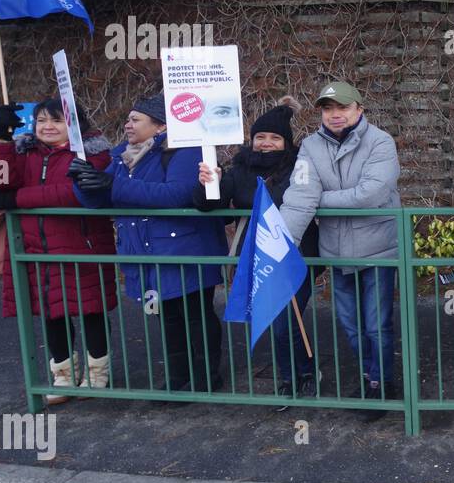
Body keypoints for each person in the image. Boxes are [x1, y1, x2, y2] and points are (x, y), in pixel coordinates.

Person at [69, 95, 228, 395]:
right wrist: (82, 181)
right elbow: (98, 199)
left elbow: (175, 194)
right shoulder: (121, 155)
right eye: (128, 119)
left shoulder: (185, 149)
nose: (127, 124)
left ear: (159, 126)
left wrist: (113, 185)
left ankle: (207, 376)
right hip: (146, 253)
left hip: (186, 250)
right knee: (166, 317)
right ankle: (178, 377)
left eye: (135, 119)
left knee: (195, 315)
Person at [0, 99, 119, 404]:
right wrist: (0, 140)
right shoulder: (24, 152)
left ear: (74, 124)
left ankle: (98, 373)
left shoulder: (92, 153)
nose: (47, 127)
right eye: (41, 120)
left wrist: (16, 199)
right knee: (50, 313)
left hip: (82, 246)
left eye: (56, 120)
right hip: (35, 249)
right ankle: (64, 375)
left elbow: (73, 193)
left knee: (90, 310)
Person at [280, 81, 401, 407]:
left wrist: (322, 199)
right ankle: (367, 377)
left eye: (343, 108)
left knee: (377, 326)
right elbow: (300, 194)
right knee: (350, 325)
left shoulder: (380, 142)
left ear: (359, 109)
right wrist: (285, 242)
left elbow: (371, 194)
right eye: (328, 109)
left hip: (378, 251)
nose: (335, 115)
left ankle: (382, 384)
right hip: (335, 250)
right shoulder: (310, 146)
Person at [195, 96, 319, 405]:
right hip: (258, 255)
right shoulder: (239, 169)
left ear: (286, 143)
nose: (265, 143)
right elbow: (211, 205)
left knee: (286, 317)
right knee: (278, 316)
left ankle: (298, 374)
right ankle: (295, 375)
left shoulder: (299, 168)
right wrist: (210, 183)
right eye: (259, 137)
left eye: (274, 138)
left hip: (296, 252)